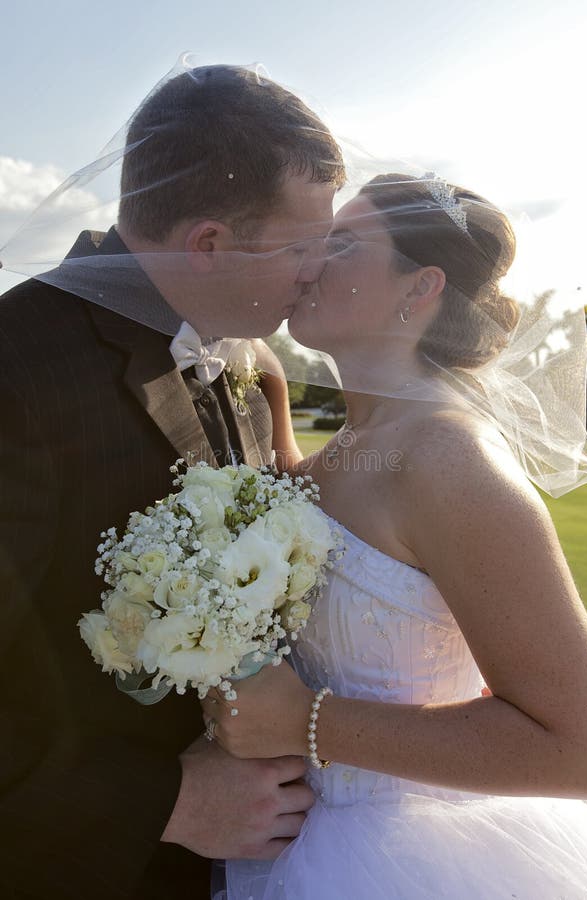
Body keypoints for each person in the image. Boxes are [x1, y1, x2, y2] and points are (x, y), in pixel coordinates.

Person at [202, 174, 587, 898]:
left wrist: (308, 721)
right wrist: (266, 386)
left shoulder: (447, 458)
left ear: (419, 290)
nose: (312, 258)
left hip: (407, 857)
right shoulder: (346, 451)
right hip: (291, 841)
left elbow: (584, 748)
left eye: (344, 243)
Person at [0, 63, 344, 900]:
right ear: (210, 244)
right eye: (303, 246)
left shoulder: (247, 364)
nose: (318, 271)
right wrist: (164, 802)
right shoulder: (17, 365)